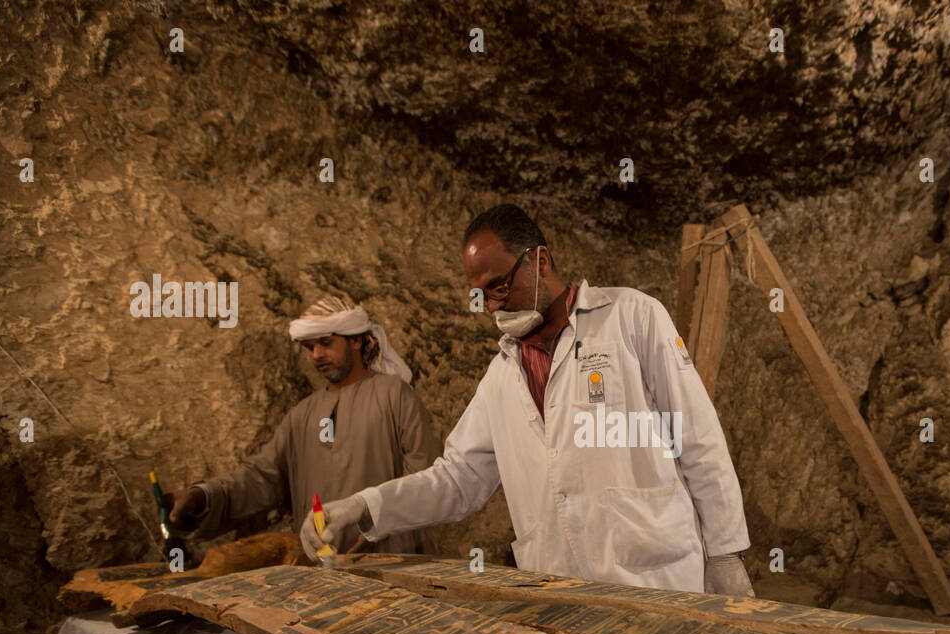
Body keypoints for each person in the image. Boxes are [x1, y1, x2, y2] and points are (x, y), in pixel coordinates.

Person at [301, 205, 754, 595]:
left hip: (657, 581)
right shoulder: (502, 376)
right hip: (558, 591)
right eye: (481, 295)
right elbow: (457, 480)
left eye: (500, 286)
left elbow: (696, 437)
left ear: (539, 261)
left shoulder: (632, 318)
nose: (494, 306)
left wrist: (726, 554)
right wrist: (366, 506)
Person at [166, 294, 442, 555]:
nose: (316, 356)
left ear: (356, 340)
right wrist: (204, 496)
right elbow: (262, 476)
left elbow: (424, 477)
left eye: (325, 343)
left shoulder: (394, 395)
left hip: (393, 565)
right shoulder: (301, 415)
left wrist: (379, 526)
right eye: (310, 348)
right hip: (322, 569)